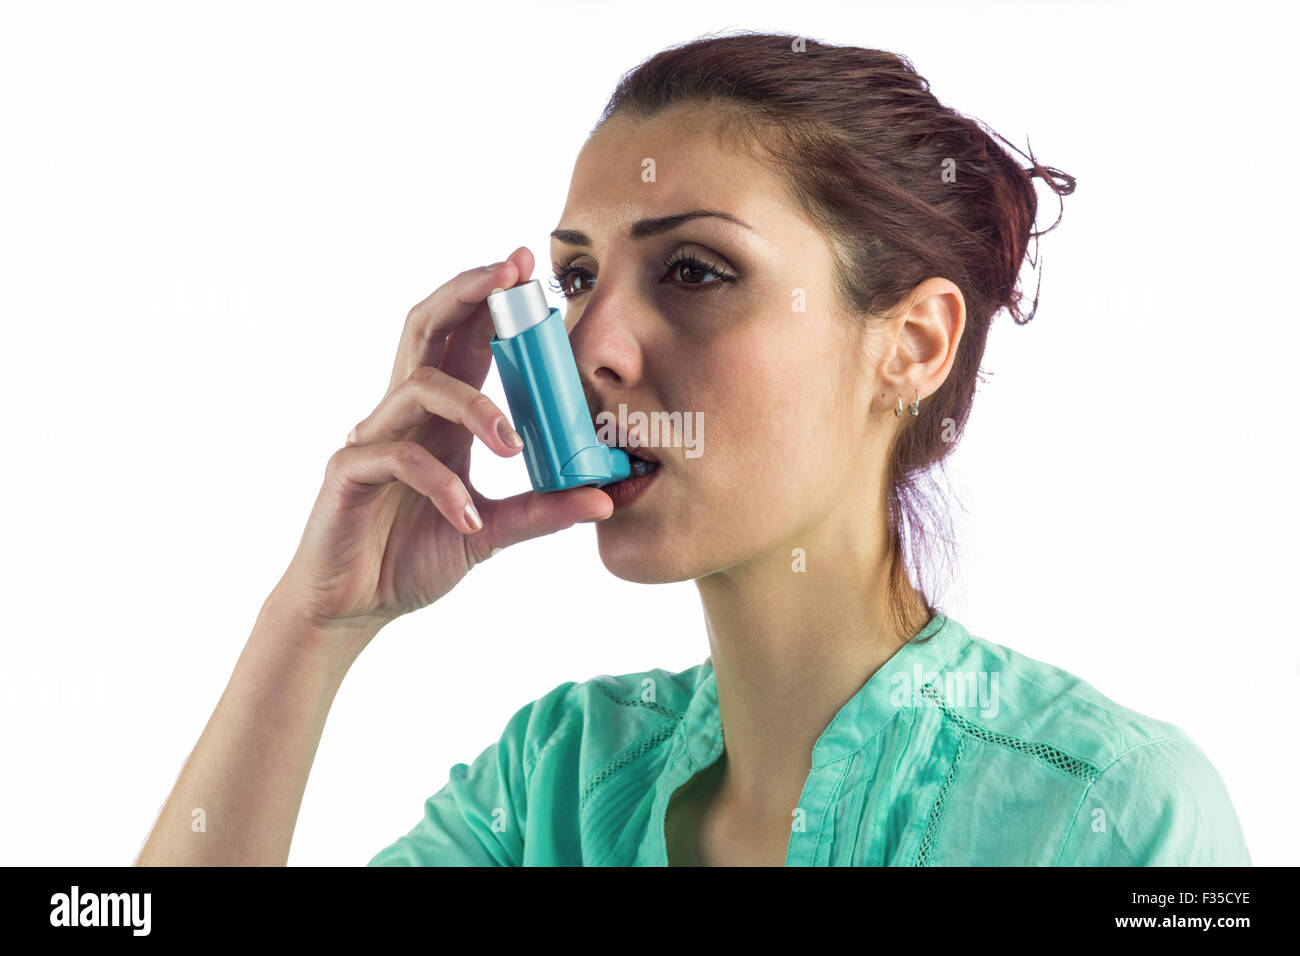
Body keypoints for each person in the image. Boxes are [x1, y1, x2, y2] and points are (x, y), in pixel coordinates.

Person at [136, 32, 1251, 867]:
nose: (591, 349)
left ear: (910, 346)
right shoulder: (554, 789)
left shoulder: (1116, 811)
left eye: (695, 271)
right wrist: (317, 622)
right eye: (575, 281)